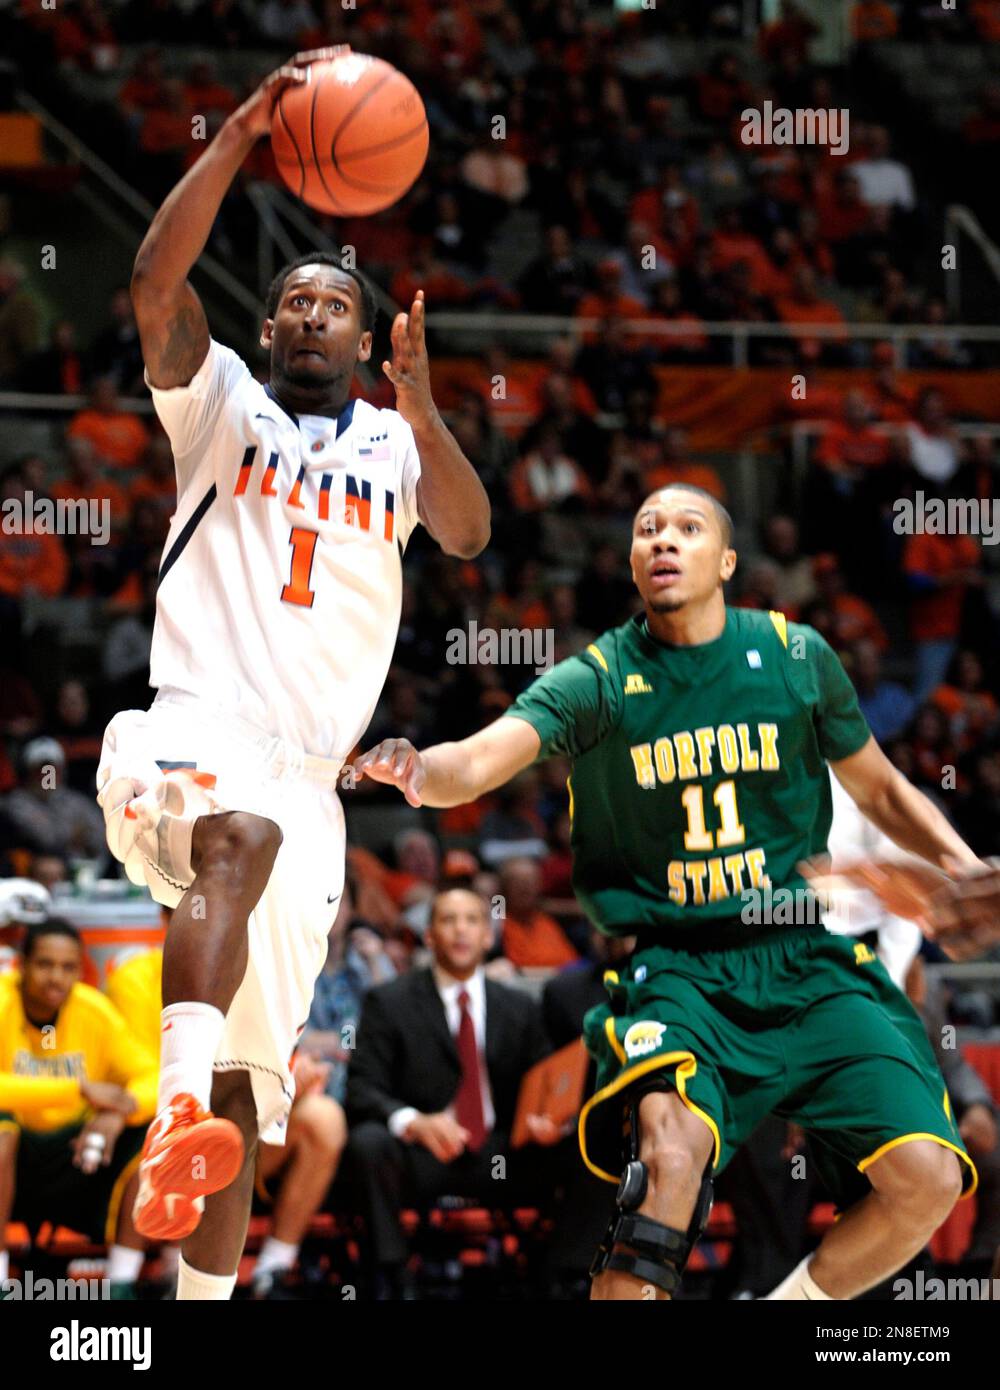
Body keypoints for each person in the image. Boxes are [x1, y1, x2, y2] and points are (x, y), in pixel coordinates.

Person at [355, 483, 984, 1301]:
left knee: (928, 1178)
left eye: (688, 529)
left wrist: (966, 872)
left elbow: (885, 791)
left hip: (804, 960)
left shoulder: (796, 656)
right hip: (680, 969)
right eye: (648, 528)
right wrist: (418, 769)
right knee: (668, 1162)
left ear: (725, 561)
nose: (663, 541)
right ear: (629, 561)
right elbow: (476, 761)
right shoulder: (602, 678)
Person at [93, 45, 490, 1302]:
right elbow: (156, 277)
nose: (314, 314)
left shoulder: (392, 441)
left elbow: (472, 533)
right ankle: (163, 1114)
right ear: (268, 327)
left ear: (368, 338)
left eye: (337, 305)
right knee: (235, 833)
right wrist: (241, 136)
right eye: (296, 302)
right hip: (196, 723)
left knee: (251, 1106)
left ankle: (201, 1276)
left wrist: (425, 407)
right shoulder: (218, 406)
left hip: (317, 785)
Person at [345, 885, 550, 1298]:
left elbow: (544, 1081)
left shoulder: (519, 1006)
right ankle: (393, 1276)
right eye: (448, 920)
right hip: (422, 1153)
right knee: (368, 1143)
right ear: (430, 936)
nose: (461, 931)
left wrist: (547, 1120)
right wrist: (413, 1121)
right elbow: (362, 1087)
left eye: (472, 920)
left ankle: (562, 1277)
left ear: (488, 936)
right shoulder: (389, 1001)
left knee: (583, 1145)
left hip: (500, 1153)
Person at [0, 920, 158, 1299]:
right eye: (45, 964)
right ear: (22, 965)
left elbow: (152, 1076)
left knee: (152, 1132)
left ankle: (121, 1282)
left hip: (77, 1155)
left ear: (81, 970)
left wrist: (118, 1114)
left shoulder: (94, 1011)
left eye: (68, 967)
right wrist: (80, 1090)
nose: (56, 977)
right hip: (15, 1157)